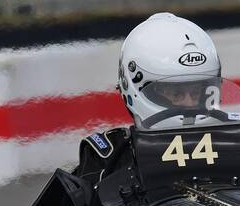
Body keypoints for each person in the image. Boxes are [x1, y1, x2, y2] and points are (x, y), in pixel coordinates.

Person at [74, 12, 227, 182]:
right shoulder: (110, 158)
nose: (189, 103)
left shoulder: (237, 143)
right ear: (133, 85)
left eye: (197, 92)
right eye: (176, 94)